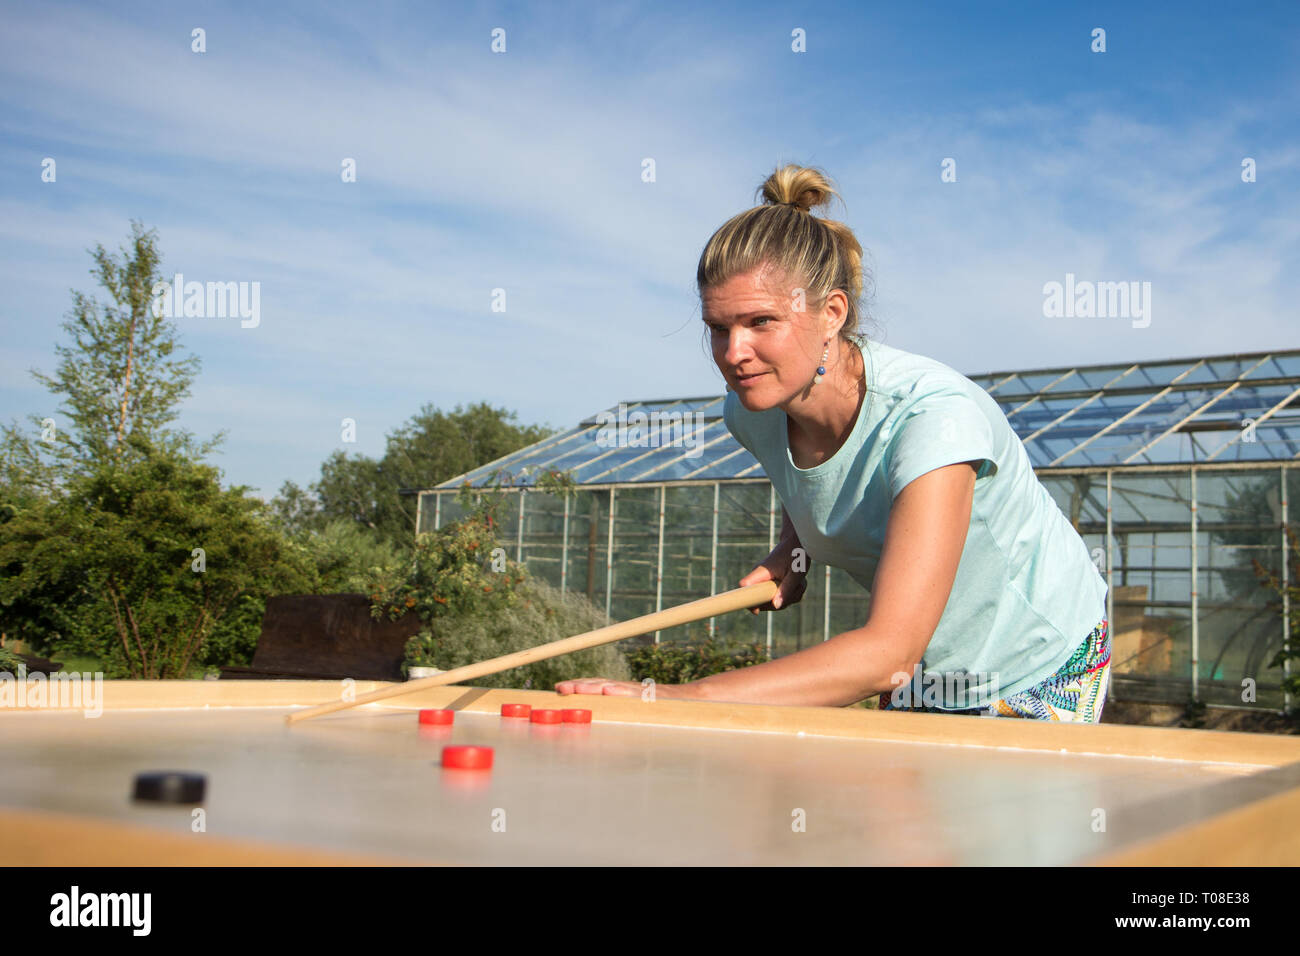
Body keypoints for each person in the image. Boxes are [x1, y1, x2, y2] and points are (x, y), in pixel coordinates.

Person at [556, 164, 1110, 721]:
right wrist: (794, 550)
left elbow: (886, 656)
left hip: (1036, 661)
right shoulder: (752, 412)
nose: (733, 352)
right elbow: (810, 477)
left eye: (760, 322)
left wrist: (679, 697)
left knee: (982, 808)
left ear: (832, 314)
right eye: (719, 327)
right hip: (925, 669)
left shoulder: (932, 418)